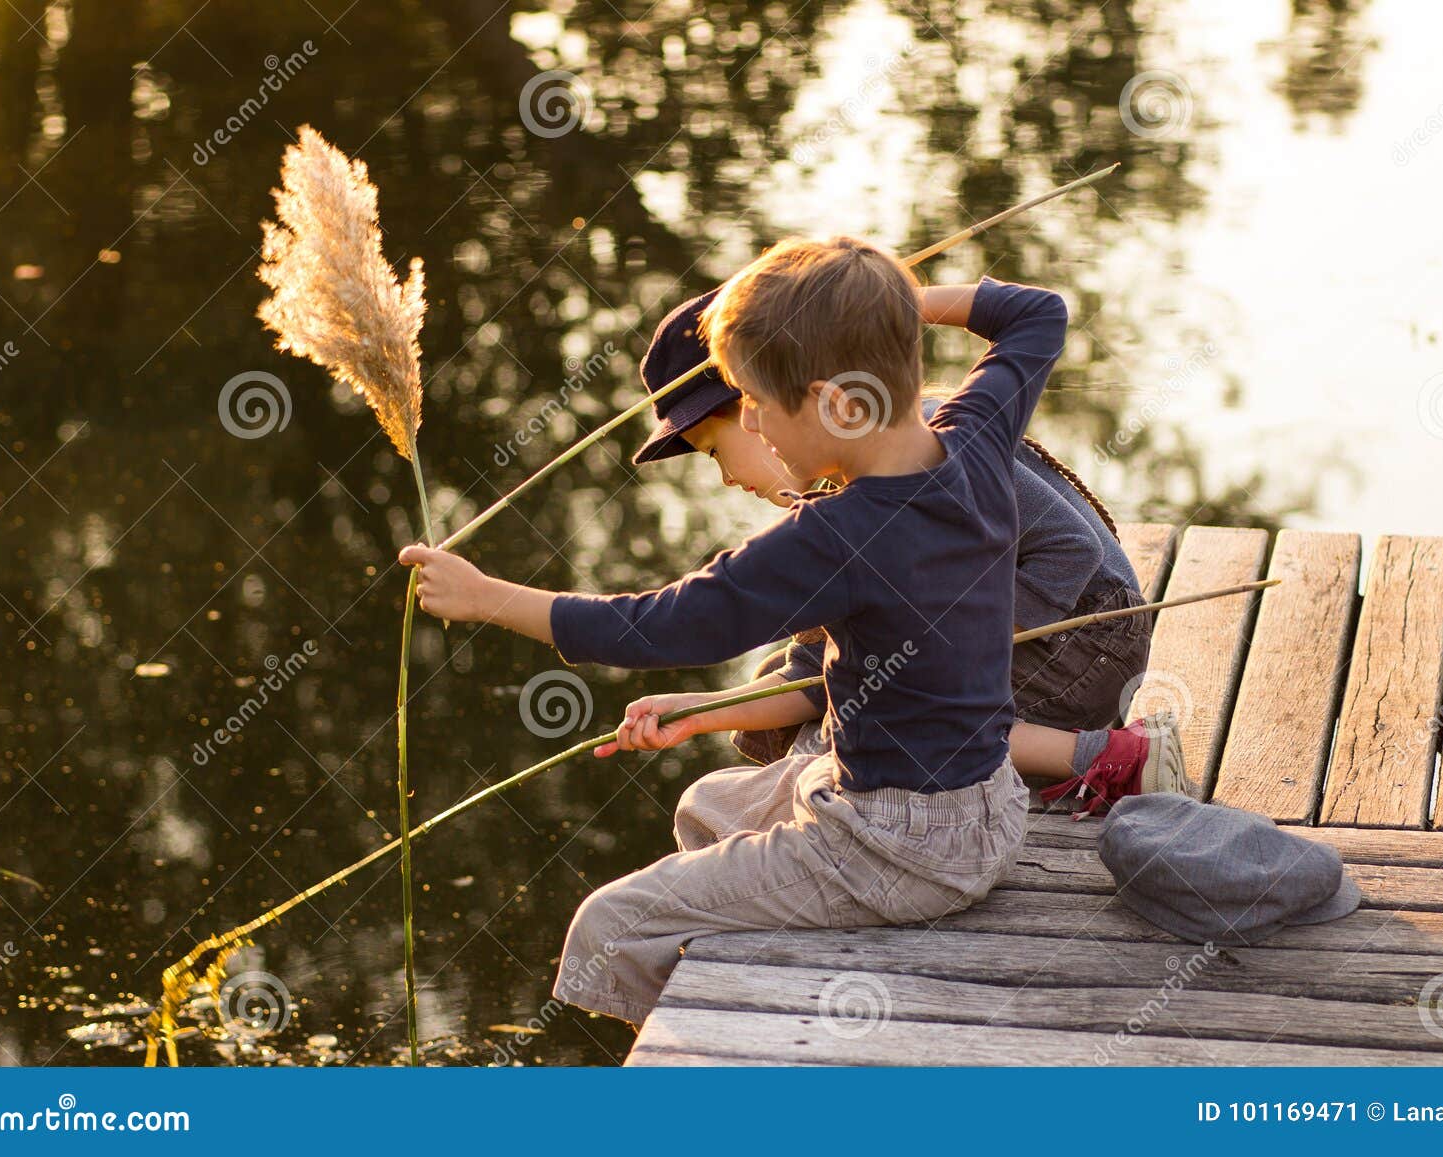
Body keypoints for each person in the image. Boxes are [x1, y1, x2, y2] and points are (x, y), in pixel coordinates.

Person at [400, 238, 1185, 1026]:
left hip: (894, 847)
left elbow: (659, 624)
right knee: (708, 806)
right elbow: (1036, 315)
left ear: (838, 405)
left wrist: (487, 596)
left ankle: (707, 1053)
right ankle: (747, 979)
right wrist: (886, 307)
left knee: (610, 924)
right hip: (986, 811)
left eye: (755, 401)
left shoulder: (837, 536)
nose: (748, 421)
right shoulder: (974, 438)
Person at [603, 285, 1183, 815]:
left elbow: (1072, 553)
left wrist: (950, 642)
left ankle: (1108, 759)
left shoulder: (922, 450)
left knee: (864, 714)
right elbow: (812, 672)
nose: (728, 477)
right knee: (799, 680)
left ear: (771, 400)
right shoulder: (845, 492)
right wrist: (694, 713)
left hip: (1088, 639)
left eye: (715, 451)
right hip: (1055, 642)